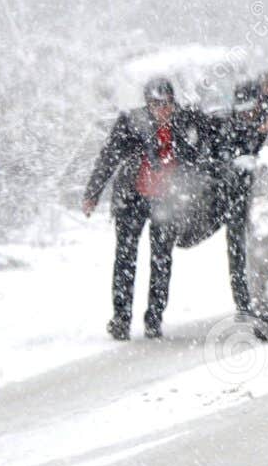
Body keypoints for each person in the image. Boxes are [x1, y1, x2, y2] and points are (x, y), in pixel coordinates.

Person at [82, 78, 207, 340]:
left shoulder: (185, 122)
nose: (162, 109)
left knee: (162, 259)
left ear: (174, 103)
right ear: (147, 104)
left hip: (167, 200)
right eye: (155, 104)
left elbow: (200, 153)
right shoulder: (131, 122)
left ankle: (154, 318)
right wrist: (93, 192)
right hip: (132, 198)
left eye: (167, 104)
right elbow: (109, 157)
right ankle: (121, 319)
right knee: (125, 259)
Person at [219, 73, 268, 315]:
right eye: (242, 109)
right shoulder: (229, 123)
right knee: (237, 249)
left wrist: (263, 134)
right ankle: (243, 301)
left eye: (250, 108)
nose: (246, 114)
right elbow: (222, 154)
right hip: (236, 197)